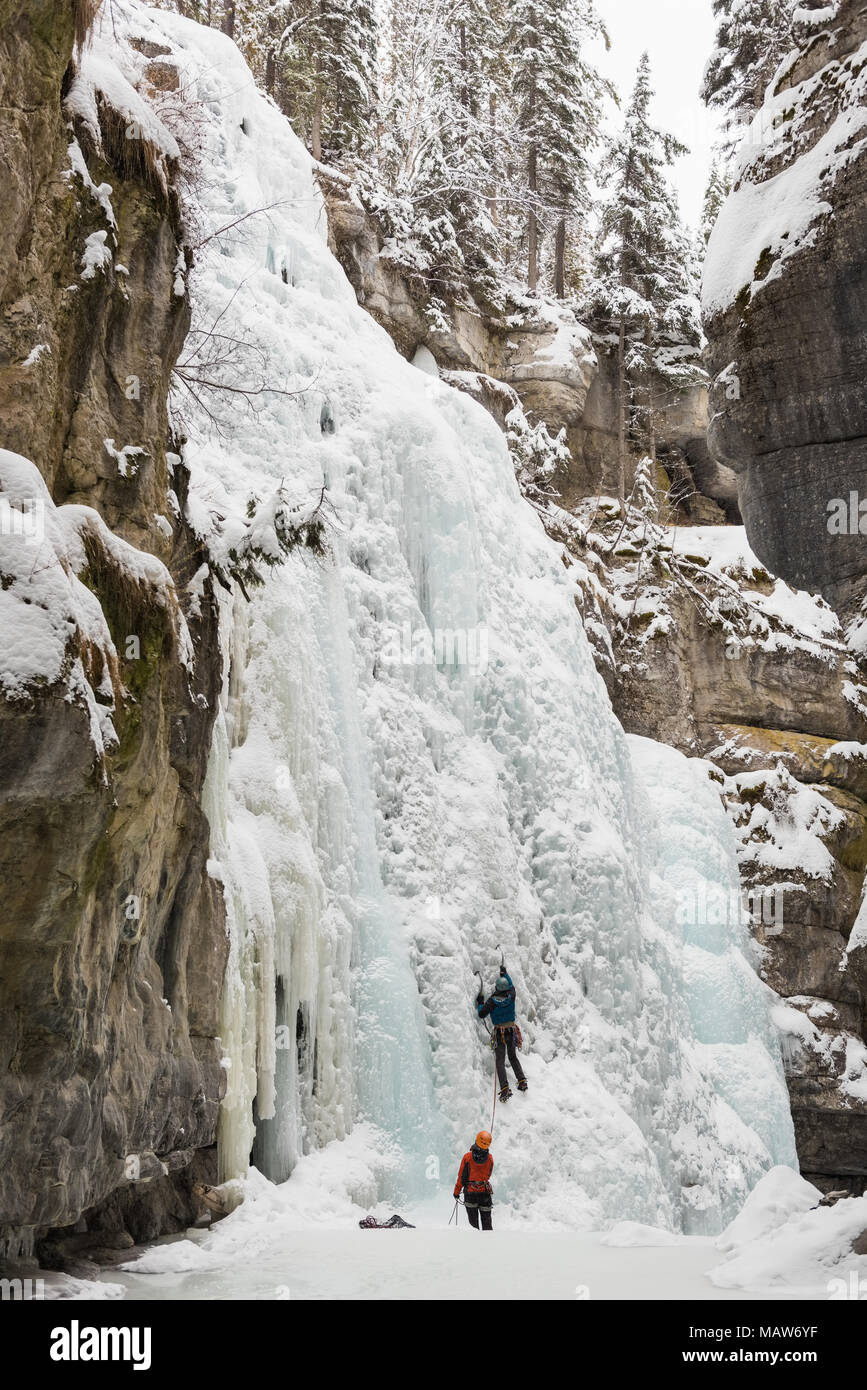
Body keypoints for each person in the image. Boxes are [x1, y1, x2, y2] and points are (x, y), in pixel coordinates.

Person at [477, 968, 528, 1102]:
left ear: (497, 988)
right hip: (511, 1031)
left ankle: (505, 1089)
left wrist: (481, 1003)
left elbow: (481, 1014)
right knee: (512, 1057)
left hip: (499, 1033)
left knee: (500, 1060)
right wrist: (504, 973)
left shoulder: (492, 1001)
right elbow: (511, 986)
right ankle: (522, 1081)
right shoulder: (512, 996)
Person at [454, 1131, 494, 1231]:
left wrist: (456, 1192)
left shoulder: (467, 1157)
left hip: (471, 1194)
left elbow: (461, 1177)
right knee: (487, 1225)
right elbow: (488, 1174)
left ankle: (474, 1245)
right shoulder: (490, 1158)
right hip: (484, 1193)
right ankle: (489, 1244)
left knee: (473, 1227)